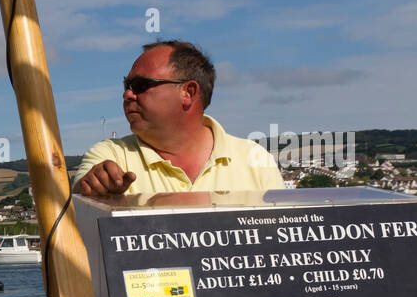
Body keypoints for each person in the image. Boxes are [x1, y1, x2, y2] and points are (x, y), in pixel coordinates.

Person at [72, 41, 285, 196]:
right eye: (126, 86)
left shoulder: (255, 160)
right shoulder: (111, 156)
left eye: (140, 86)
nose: (127, 94)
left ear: (188, 92)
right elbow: (78, 204)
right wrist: (90, 191)